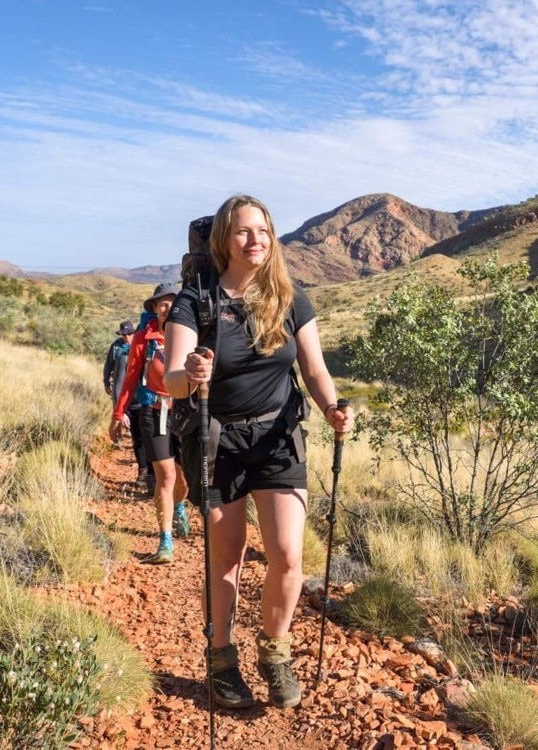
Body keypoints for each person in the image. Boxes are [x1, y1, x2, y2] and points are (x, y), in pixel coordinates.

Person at [164, 194, 354, 710]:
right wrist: (192, 375)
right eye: (245, 231)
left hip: (277, 437)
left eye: (264, 231)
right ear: (224, 238)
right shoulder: (195, 301)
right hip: (217, 442)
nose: (257, 241)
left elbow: (313, 369)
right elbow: (172, 378)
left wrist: (333, 406)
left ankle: (274, 652)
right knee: (227, 557)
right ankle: (221, 659)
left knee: (288, 556)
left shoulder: (290, 298)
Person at [110, 283, 192, 563]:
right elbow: (131, 377)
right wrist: (118, 414)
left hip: (185, 412)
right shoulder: (144, 339)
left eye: (172, 302)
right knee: (165, 476)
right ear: (155, 308)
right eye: (162, 303)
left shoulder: (191, 336)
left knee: (184, 479)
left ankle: (179, 505)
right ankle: (165, 540)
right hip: (153, 410)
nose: (167, 307)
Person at [103, 320, 151, 483]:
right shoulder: (121, 354)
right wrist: (120, 411)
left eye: (129, 334)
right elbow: (118, 383)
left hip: (150, 402)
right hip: (132, 403)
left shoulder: (151, 352)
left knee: (151, 439)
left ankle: (153, 473)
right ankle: (144, 472)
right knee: (138, 438)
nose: (127, 338)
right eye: (124, 335)